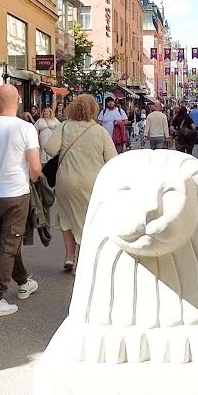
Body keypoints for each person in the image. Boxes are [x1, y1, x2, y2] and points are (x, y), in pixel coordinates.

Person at [0, 84, 41, 318]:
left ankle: (23, 282)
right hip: (17, 191)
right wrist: (34, 179)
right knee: (11, 243)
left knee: (9, 239)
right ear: (19, 100)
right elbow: (34, 166)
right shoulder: (26, 128)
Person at [44, 94, 117, 272]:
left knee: (67, 218)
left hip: (65, 181)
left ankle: (70, 256)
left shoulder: (64, 126)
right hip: (92, 182)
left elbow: (50, 148)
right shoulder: (100, 131)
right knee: (87, 220)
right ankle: (84, 259)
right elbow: (113, 159)